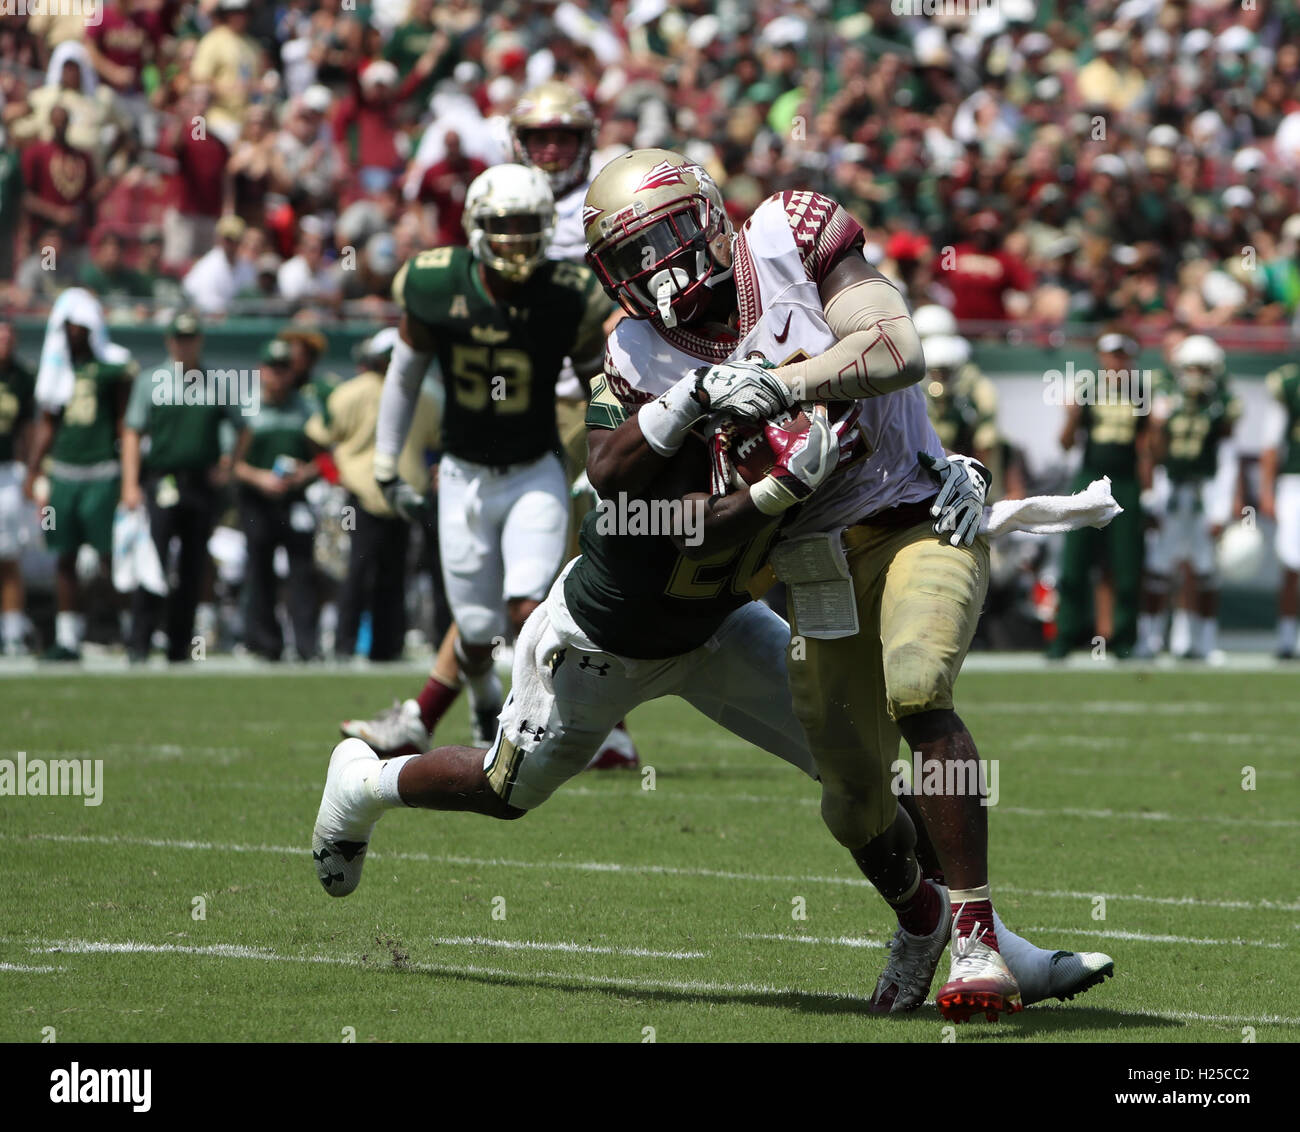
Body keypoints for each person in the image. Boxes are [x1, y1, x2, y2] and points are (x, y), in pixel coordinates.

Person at [339, 163, 607, 750]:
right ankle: (486, 703)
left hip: (536, 469)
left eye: (528, 223)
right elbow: (403, 379)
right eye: (503, 223)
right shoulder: (437, 284)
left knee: (528, 608)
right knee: (479, 630)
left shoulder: (567, 293)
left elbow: (600, 387)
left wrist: (602, 465)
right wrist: (387, 463)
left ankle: (536, 726)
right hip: (461, 475)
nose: (514, 236)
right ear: (475, 225)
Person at [305, 328, 441, 661]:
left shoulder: (353, 392)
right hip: (388, 494)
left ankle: (355, 645)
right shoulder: (427, 394)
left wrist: (334, 471)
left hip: (376, 493)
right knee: (381, 574)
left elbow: (317, 435)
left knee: (365, 572)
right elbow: (437, 445)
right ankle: (375, 646)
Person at [24, 291, 137, 660]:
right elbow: (47, 424)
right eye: (68, 327)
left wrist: (129, 476)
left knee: (109, 556)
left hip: (103, 470)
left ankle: (120, 628)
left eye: (80, 327)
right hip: (65, 473)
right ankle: (68, 637)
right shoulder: (57, 370)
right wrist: (34, 468)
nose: (73, 333)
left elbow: (124, 424)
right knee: (64, 555)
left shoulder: (113, 367)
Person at [120, 312, 237, 663]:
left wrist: (227, 462)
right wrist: (129, 484)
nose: (185, 345)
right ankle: (139, 643)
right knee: (151, 561)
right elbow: (132, 431)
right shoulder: (150, 380)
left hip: (199, 483)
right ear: (170, 342)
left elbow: (237, 426)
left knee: (193, 565)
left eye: (191, 338)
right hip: (162, 479)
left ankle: (179, 646)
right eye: (179, 339)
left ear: (199, 341)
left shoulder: (217, 381)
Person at [1053, 330, 1153, 660]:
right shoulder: (1087, 391)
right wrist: (1070, 416)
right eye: (1112, 355)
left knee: (1126, 564)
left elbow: (1146, 448)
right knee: (1075, 561)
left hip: (1125, 481)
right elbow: (1066, 443)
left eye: (1122, 356)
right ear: (1101, 357)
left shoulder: (1141, 395)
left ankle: (1123, 639)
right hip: (1090, 479)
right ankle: (1066, 635)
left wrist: (1148, 489)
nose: (1116, 363)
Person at [1144, 336, 1239, 660]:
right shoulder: (1164, 398)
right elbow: (1152, 454)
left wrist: (1223, 507)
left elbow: (1227, 455)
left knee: (1205, 570)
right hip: (1170, 489)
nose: (1196, 374)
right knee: (1158, 568)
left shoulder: (1221, 402)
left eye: (1203, 368)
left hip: (1204, 491)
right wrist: (1151, 495)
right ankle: (1150, 639)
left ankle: (1205, 642)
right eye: (1191, 367)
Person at [231, 339, 320, 661]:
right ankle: (266, 643)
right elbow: (233, 463)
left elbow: (322, 458)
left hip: (295, 499)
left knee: (302, 572)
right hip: (257, 499)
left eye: (285, 369)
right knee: (260, 571)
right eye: (273, 368)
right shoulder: (247, 408)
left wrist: (303, 474)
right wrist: (261, 478)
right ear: (261, 370)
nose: (279, 375)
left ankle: (307, 645)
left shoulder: (306, 407)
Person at [0, 321, 36, 655]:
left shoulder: (22, 378)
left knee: (8, 555)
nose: (4, 342)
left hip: (7, 471)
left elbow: (28, 428)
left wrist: (31, 475)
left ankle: (11, 633)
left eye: (9, 336)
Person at [1261, 357, 1300, 658]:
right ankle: (1287, 639)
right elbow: (1272, 442)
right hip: (1294, 481)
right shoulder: (1288, 382)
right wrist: (1266, 490)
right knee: (1292, 563)